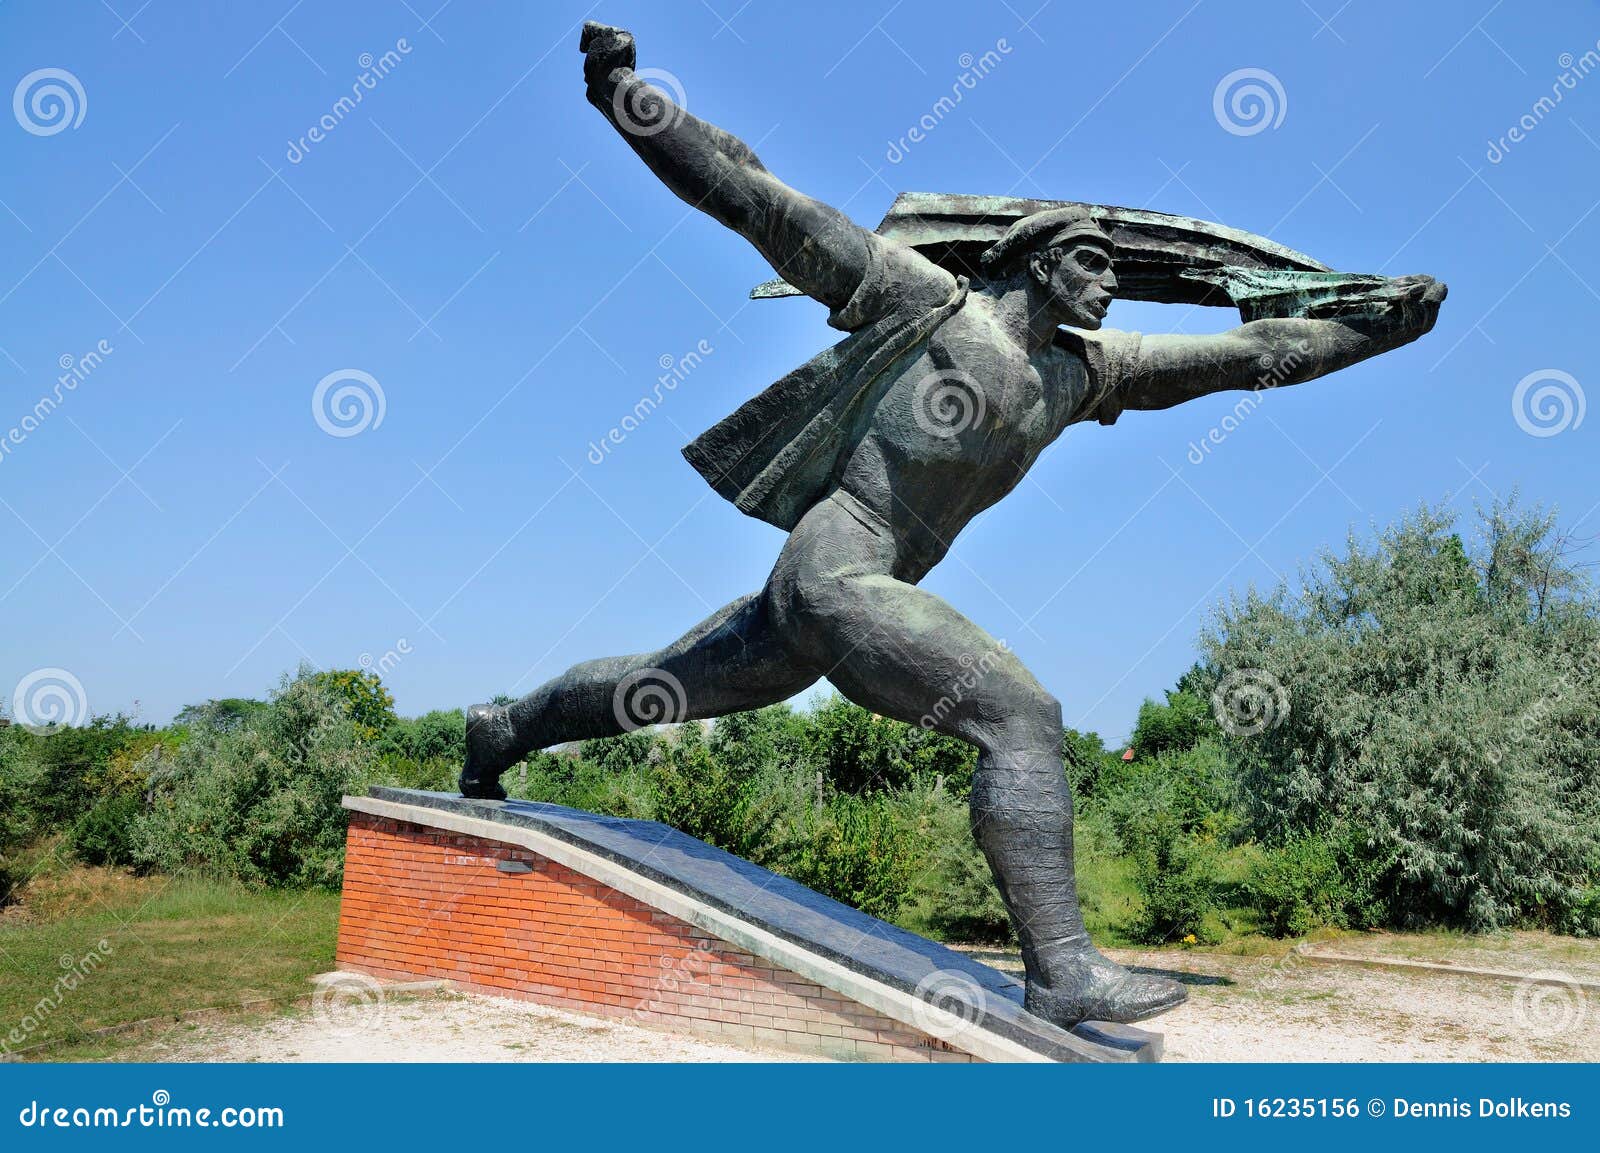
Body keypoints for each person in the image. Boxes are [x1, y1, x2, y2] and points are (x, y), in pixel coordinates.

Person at [460, 22, 1447, 1027]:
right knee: (1021, 716)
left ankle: (500, 730)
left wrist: (1377, 328)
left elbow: (1251, 351)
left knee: (647, 691)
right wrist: (623, 93)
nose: (1111, 283)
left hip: (834, 595)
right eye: (1092, 262)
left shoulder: (1076, 377)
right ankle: (1060, 970)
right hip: (838, 571)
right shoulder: (923, 302)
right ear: (1036, 262)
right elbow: (754, 196)